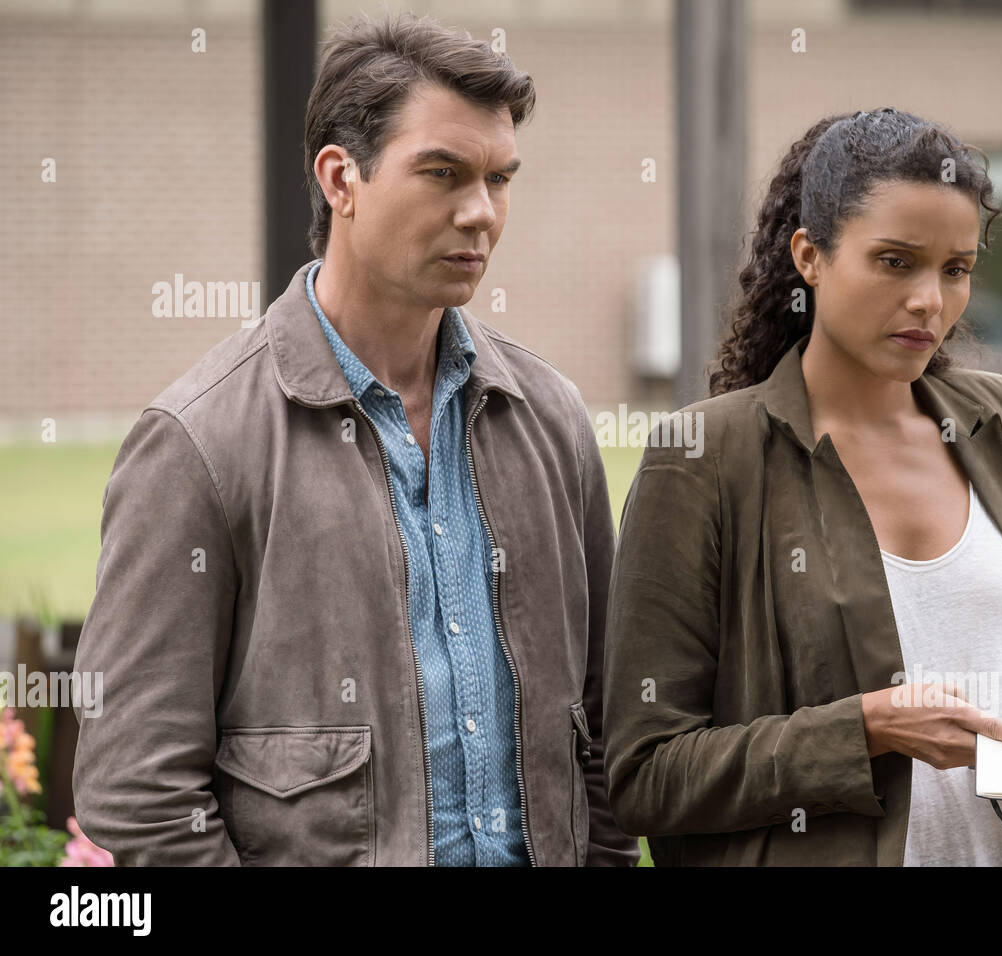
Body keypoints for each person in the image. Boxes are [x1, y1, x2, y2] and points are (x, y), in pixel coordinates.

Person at [71, 12, 638, 867]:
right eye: (442, 173)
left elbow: (607, 728)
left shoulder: (551, 418)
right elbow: (135, 787)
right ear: (341, 177)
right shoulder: (198, 443)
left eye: (500, 178)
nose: (480, 213)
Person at [602, 108, 1002, 866]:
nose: (929, 302)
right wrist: (867, 730)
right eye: (895, 262)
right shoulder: (705, 458)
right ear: (810, 256)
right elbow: (646, 777)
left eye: (956, 269)